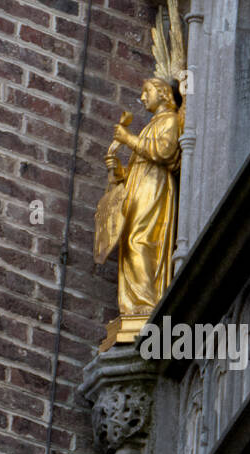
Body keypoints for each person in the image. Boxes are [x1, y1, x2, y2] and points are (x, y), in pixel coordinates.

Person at [106, 78, 181, 319]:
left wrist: (128, 139)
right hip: (139, 186)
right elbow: (139, 164)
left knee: (140, 240)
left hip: (154, 186)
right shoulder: (152, 124)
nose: (143, 97)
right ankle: (133, 306)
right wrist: (118, 171)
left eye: (147, 91)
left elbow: (163, 151)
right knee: (129, 240)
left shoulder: (169, 120)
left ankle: (146, 303)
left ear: (162, 93)